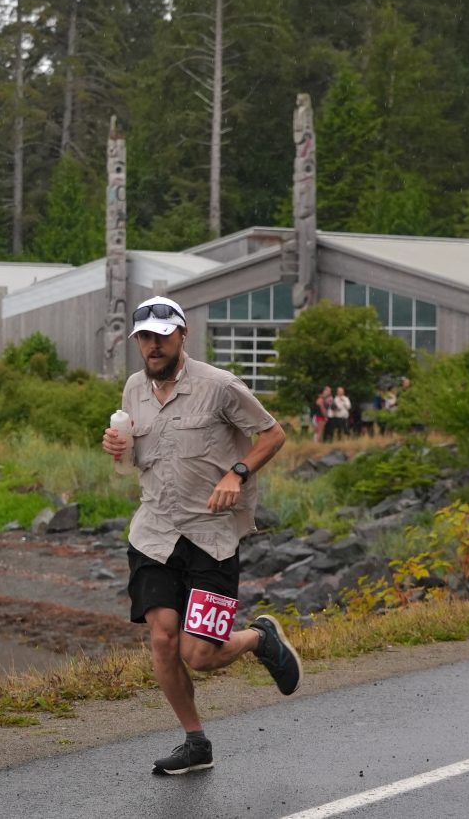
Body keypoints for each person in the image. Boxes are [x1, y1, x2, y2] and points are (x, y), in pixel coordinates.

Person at [100, 296, 299, 775]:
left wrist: (236, 474)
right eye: (144, 337)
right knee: (164, 642)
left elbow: (273, 435)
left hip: (210, 537)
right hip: (154, 535)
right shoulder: (133, 390)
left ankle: (259, 638)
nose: (152, 345)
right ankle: (195, 742)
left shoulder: (219, 386)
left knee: (200, 654)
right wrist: (116, 449)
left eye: (161, 336)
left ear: (182, 335)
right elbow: (133, 460)